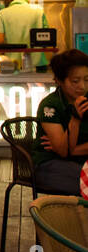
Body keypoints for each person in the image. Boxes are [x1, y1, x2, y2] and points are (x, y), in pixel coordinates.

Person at [31, 49, 88, 194]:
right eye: (75, 81)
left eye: (87, 79)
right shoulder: (50, 105)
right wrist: (75, 118)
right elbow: (62, 152)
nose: (82, 86)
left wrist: (72, 149)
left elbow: (65, 149)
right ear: (59, 81)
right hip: (50, 165)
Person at [0, 0, 51, 69]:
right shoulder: (39, 11)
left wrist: (1, 60)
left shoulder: (2, 14)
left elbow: (0, 42)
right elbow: (47, 40)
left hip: (13, 65)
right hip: (39, 65)